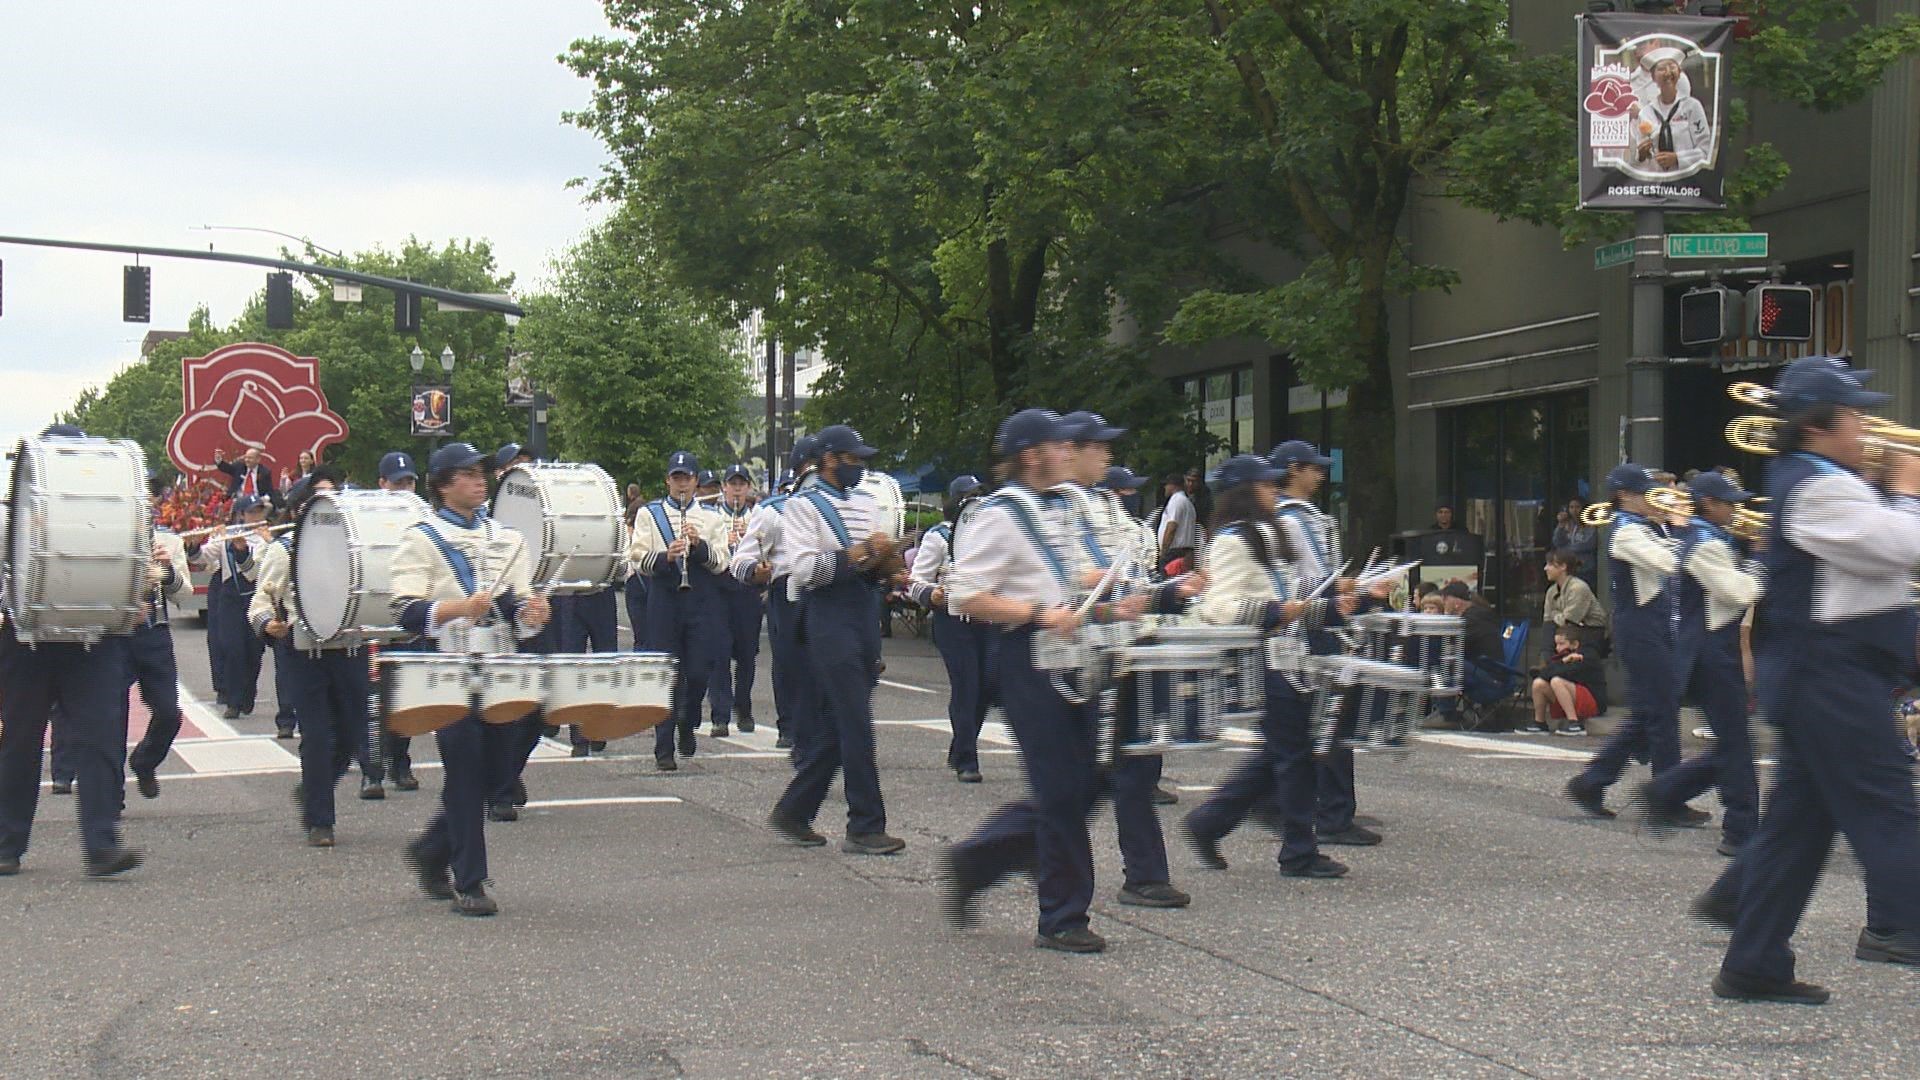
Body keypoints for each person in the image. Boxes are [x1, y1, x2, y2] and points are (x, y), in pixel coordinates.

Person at [1679, 357, 1920, 1005]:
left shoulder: (1823, 479)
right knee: (1890, 811)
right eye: (1854, 413)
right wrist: (1907, 490)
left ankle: (1753, 960)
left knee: (1798, 829)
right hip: (1833, 676)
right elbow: (1905, 546)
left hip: (1826, 673)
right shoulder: (1818, 487)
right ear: (1817, 425)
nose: (1867, 424)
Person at [939, 409, 1154, 953]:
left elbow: (1075, 584)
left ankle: (981, 857)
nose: (1070, 452)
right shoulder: (999, 514)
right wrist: (1036, 614)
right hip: (1030, 660)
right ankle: (1062, 916)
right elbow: (964, 593)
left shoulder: (1070, 506)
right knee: (1060, 792)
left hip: (1082, 657)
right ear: (1032, 455)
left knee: (1092, 783)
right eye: (1060, 445)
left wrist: (1111, 604)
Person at [391, 442, 551, 916]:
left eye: (483, 473)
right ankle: (470, 881)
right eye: (469, 474)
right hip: (447, 669)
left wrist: (532, 613)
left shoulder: (508, 538)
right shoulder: (420, 538)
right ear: (443, 485)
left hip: (499, 668)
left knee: (497, 773)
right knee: (464, 769)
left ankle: (432, 849)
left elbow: (517, 614)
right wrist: (458, 608)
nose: (482, 480)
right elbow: (405, 610)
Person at [1182, 454, 1357, 879]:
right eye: (1265, 485)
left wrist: (1338, 605)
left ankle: (1209, 823)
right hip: (1261, 660)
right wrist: (1274, 611)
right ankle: (1298, 851)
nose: (1274, 490)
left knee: (1284, 753)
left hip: (1289, 653)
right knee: (1293, 755)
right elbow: (1219, 606)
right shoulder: (1230, 541)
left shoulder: (1268, 535)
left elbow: (1288, 597)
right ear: (1245, 491)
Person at [1058, 409, 1195, 909]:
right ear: (1070, 450)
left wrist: (1170, 593)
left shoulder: (1116, 515)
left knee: (1135, 766)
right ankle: (1009, 854)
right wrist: (1100, 584)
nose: (1109, 454)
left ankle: (1145, 873)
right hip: (1078, 658)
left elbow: (1138, 581)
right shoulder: (1052, 509)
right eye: (1100, 446)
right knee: (1079, 781)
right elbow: (1056, 578)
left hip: (1127, 651)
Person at [0, 424, 145, 878]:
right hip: (27, 640)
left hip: (94, 639)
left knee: (102, 742)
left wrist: (135, 595)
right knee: (19, 746)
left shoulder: (110, 512)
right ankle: (7, 844)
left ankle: (101, 845)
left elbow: (130, 564)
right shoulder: (14, 515)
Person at [767, 425, 905, 856]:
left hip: (862, 611)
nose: (858, 468)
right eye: (852, 459)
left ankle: (794, 810)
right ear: (828, 459)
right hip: (826, 615)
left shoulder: (866, 502)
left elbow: (871, 563)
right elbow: (805, 571)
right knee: (856, 722)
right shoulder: (802, 507)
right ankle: (864, 824)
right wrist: (863, 553)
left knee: (839, 725)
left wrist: (889, 563)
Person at [1634, 470, 1762, 856]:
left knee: (1735, 742)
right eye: (1728, 502)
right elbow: (1738, 591)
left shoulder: (1708, 539)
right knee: (1737, 743)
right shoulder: (1705, 544)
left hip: (1708, 648)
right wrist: (1761, 560)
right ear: (1708, 504)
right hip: (1711, 651)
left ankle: (1668, 792)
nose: (1735, 508)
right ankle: (1739, 831)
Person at [251, 468, 374, 845]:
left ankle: (312, 791)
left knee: (354, 735)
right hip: (303, 653)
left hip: (348, 648)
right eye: (320, 497)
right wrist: (268, 622)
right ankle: (321, 820)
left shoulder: (356, 548)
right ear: (301, 508)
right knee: (317, 736)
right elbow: (261, 600)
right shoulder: (283, 550)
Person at [1271, 440, 1381, 848]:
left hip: (1316, 621)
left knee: (1319, 723)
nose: (1320, 475)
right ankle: (1333, 813)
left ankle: (1314, 806)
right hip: (1306, 628)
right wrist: (1347, 587)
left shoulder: (1305, 517)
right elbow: (1296, 581)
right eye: (1313, 468)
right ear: (1293, 470)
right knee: (1331, 719)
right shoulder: (1285, 520)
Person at [1564, 463, 1681, 820]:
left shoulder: (1643, 527)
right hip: (1640, 626)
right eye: (1645, 492)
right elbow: (1669, 562)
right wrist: (1682, 529)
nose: (1653, 498)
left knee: (1654, 712)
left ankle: (1596, 782)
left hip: (1652, 624)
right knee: (1659, 712)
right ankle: (1664, 796)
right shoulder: (1627, 533)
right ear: (1625, 495)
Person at [629, 451, 731, 771]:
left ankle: (687, 721)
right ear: (667, 481)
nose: (681, 483)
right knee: (667, 674)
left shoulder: (713, 518)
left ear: (696, 482)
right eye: (676, 478)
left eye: (687, 478)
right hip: (664, 599)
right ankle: (664, 747)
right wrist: (666, 557)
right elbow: (637, 557)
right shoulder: (650, 514)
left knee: (699, 670)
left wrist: (698, 546)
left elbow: (722, 562)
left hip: (701, 600)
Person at [729, 437, 822, 751]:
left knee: (828, 659)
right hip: (789, 589)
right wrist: (756, 572)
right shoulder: (773, 511)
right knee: (788, 659)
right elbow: (741, 560)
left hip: (828, 587)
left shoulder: (844, 505)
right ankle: (789, 726)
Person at [909, 474, 992, 782]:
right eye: (969, 497)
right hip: (953, 620)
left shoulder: (991, 537)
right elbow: (916, 580)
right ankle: (968, 759)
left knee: (986, 688)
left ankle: (960, 746)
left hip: (986, 618)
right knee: (967, 685)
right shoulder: (939, 537)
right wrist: (932, 594)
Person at [124, 473, 195, 800]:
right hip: (116, 634)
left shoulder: (168, 541)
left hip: (154, 633)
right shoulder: (107, 535)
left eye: (149, 497)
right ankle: (111, 794)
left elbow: (185, 595)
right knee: (109, 713)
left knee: (168, 712)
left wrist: (167, 573)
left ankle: (145, 760)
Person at [372, 451, 423, 791]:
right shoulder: (366, 513)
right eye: (397, 482)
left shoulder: (422, 514)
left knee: (404, 689)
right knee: (375, 693)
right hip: (372, 608)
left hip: (408, 608)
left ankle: (399, 760)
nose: (404, 488)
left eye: (409, 482)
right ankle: (373, 763)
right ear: (382, 484)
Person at [705, 463, 763, 737]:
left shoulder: (757, 518)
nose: (737, 489)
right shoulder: (713, 518)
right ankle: (720, 714)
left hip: (748, 591)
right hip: (720, 589)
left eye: (742, 484)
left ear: (748, 488)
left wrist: (747, 538)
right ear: (724, 488)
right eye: (732, 484)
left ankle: (744, 705)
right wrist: (725, 541)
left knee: (747, 656)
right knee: (718, 653)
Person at [213, 495, 272, 720]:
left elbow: (252, 573)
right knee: (232, 649)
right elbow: (204, 558)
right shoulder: (226, 535)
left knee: (253, 651)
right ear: (241, 515)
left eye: (259, 512)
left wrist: (242, 550)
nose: (257, 517)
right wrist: (193, 545)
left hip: (255, 598)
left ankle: (248, 692)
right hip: (230, 599)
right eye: (252, 512)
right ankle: (233, 701)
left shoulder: (265, 540)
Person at [1635, 46, 1711, 175]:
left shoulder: (1692, 107)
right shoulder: (1645, 113)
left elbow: (1705, 150)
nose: (1668, 72)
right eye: (1661, 69)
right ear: (1653, 77)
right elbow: (1639, 160)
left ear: (1679, 72)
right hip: (1656, 184)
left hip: (1686, 185)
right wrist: (1641, 154)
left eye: (1672, 67)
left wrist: (1677, 158)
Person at [1524, 625, 1607, 736]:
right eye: (1556, 644)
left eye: (1561, 644)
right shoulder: (1563, 656)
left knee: (1556, 681)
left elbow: (1564, 673)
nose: (1558, 648)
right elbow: (1542, 674)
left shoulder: (1586, 655)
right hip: (1573, 699)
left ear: (1575, 644)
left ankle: (1574, 723)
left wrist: (1560, 665)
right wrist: (1563, 661)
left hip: (1593, 702)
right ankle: (1540, 723)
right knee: (1538, 683)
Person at [1542, 549, 1607, 647]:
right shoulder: (1551, 591)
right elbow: (1547, 621)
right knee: (1549, 632)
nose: (1545, 568)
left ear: (1563, 566)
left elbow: (1569, 621)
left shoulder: (1578, 587)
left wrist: (1554, 614)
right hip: (1566, 632)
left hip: (1590, 632)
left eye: (1550, 565)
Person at [1552, 499, 1601, 589]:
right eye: (1571, 507)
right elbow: (1557, 542)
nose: (1574, 510)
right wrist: (1560, 525)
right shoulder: (1569, 524)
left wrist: (1566, 549)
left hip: (1586, 568)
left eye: (1577, 507)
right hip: (1572, 568)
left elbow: (1589, 543)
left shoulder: (1589, 524)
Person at [1157, 470, 1198, 574]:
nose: (1165, 488)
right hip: (1186, 552)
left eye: (1166, 485)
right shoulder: (1188, 503)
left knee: (1167, 585)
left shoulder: (1176, 500)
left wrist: (1164, 551)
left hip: (1174, 552)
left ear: (1172, 486)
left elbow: (1172, 527)